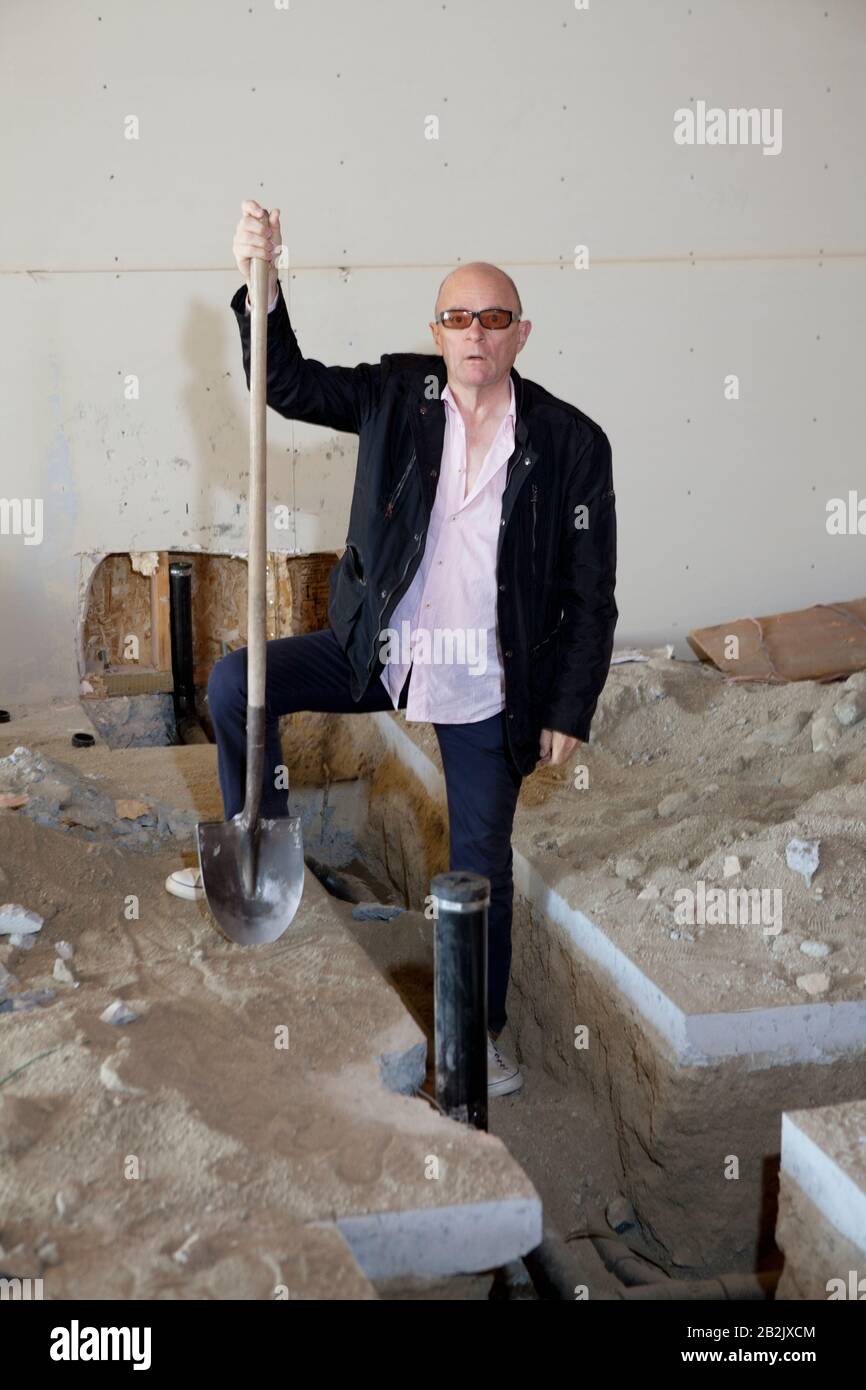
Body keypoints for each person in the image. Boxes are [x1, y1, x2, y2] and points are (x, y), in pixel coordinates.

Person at [167, 200, 618, 1097]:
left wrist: (570, 706)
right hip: (380, 651)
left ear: (520, 334)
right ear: (437, 332)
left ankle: (477, 1038)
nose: (475, 335)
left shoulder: (571, 445)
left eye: (494, 319)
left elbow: (589, 594)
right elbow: (285, 385)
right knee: (232, 683)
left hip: (491, 685)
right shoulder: (394, 394)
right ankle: (268, 847)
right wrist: (266, 281)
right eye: (459, 318)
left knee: (479, 866)